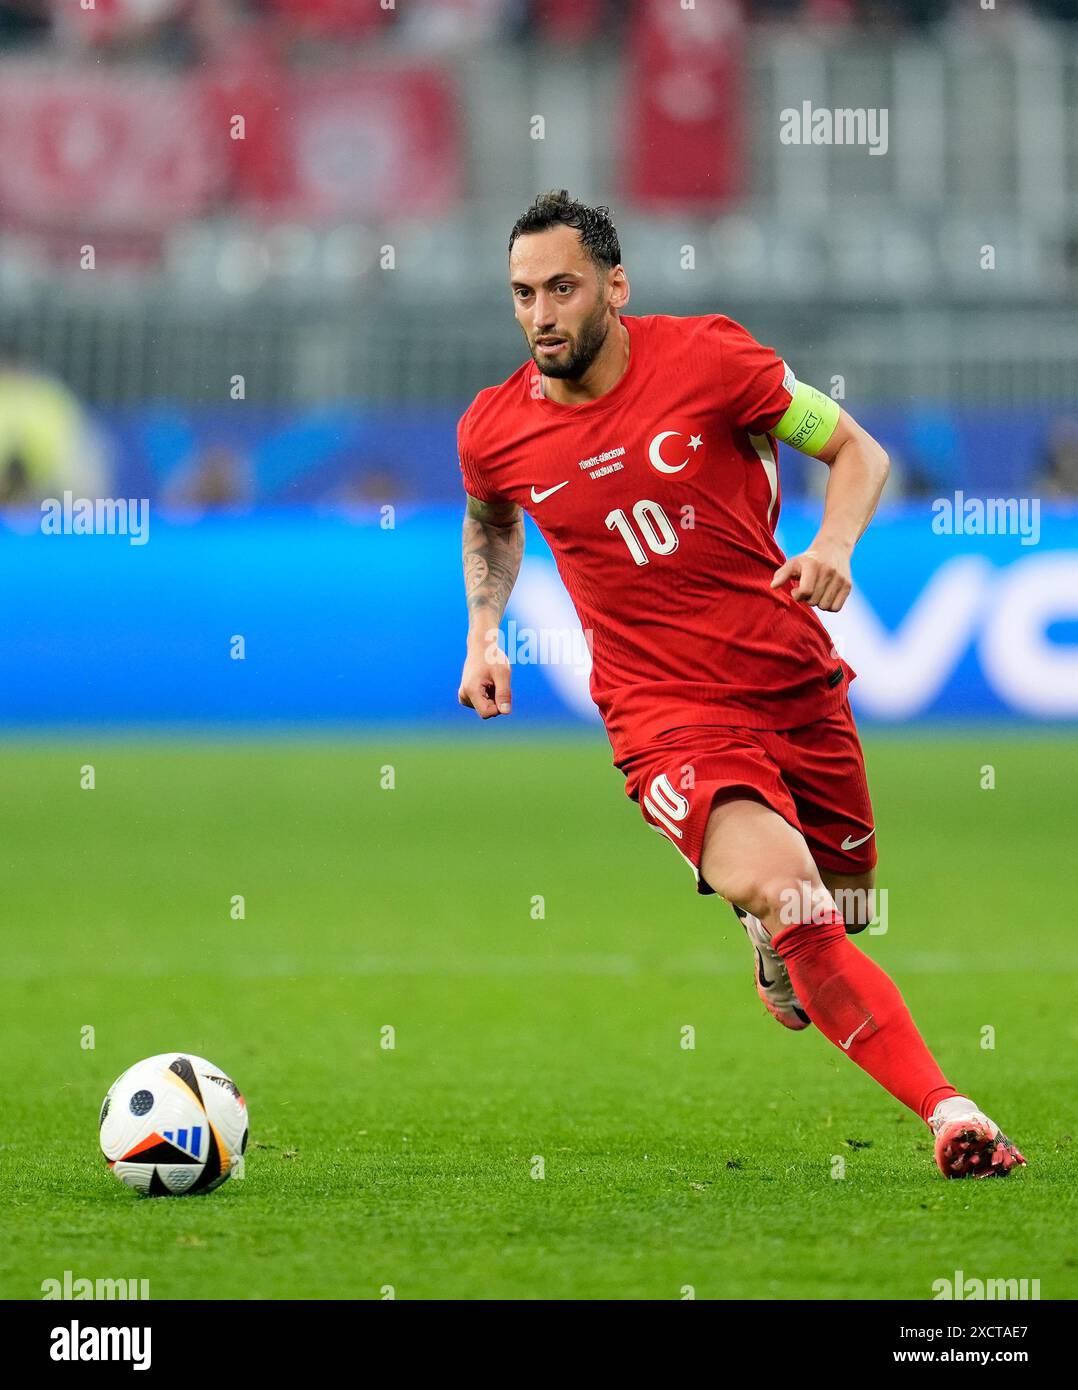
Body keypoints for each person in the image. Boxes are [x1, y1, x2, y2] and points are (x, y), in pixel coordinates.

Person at [456, 191, 1026, 1179]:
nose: (540, 313)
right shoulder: (494, 428)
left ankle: (776, 939)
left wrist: (833, 544)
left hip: (792, 678)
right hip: (663, 713)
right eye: (521, 294)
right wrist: (482, 630)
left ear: (614, 287)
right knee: (793, 895)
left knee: (840, 915)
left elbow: (858, 448)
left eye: (561, 287)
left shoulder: (713, 360)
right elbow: (493, 519)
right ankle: (950, 1111)